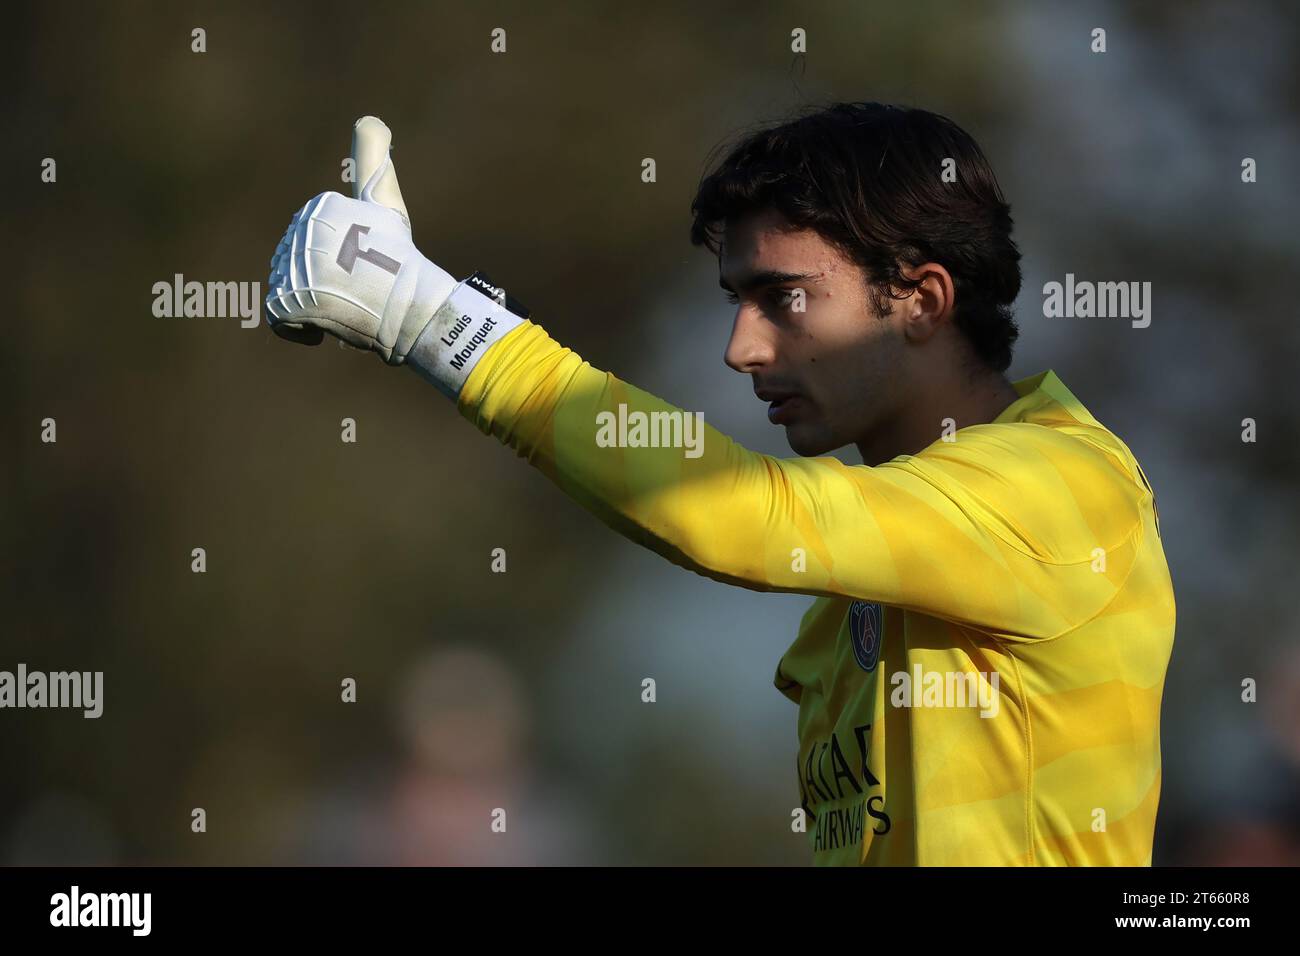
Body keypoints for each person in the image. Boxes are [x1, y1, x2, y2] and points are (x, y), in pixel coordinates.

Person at [265, 103, 1175, 865]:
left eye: (783, 298)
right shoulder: (851, 600)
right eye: (736, 301)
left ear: (923, 300)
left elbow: (738, 515)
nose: (741, 349)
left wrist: (432, 317)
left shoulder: (1064, 484)